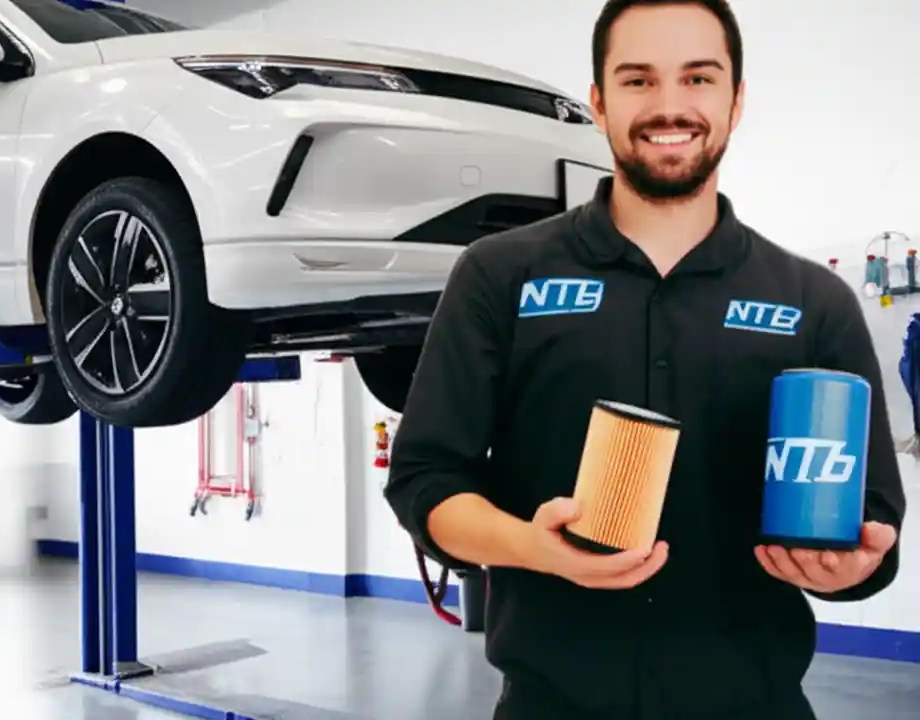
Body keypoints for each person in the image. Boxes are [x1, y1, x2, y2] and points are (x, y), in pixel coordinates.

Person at [383, 1, 907, 718]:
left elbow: (873, 518)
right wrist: (535, 548)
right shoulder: (501, 276)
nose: (669, 105)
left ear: (735, 99)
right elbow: (424, 480)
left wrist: (848, 568)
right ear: (598, 103)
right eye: (637, 80)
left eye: (697, 78)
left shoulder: (815, 301)